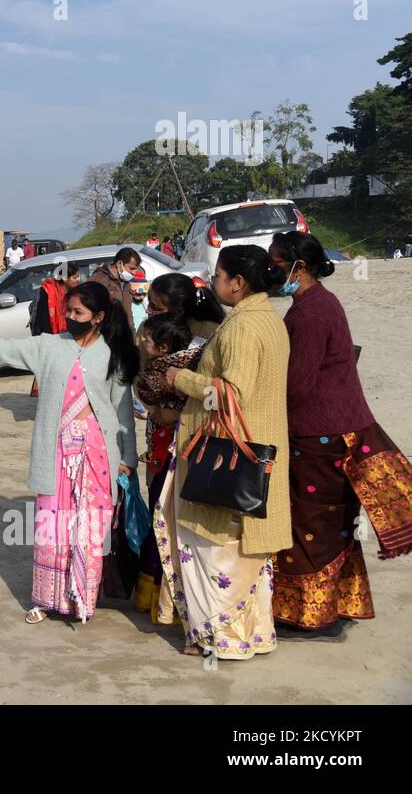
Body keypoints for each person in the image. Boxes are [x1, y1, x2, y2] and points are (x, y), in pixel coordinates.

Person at [0, 280, 140, 624]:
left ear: (97, 317)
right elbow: (1, 349)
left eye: (77, 312)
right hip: (55, 456)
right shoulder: (49, 346)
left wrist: (128, 458)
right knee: (52, 526)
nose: (69, 317)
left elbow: (122, 409)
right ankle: (46, 598)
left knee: (89, 528)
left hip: (97, 458)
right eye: (67, 310)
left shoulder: (112, 354)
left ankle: (83, 598)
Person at [267, 231, 412, 634]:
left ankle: (309, 613)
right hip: (337, 430)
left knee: (311, 526)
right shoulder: (319, 303)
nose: (272, 270)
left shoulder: (310, 312)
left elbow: (297, 385)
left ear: (300, 266)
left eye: (276, 262)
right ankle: (335, 604)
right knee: (335, 524)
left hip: (319, 434)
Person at [156, 245, 290, 660]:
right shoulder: (269, 321)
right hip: (254, 451)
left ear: (238, 282)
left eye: (217, 277)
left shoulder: (242, 328)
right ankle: (252, 636)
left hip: (226, 454)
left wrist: (181, 378)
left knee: (212, 548)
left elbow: (231, 393)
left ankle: (220, 641)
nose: (212, 284)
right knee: (243, 551)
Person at [130, 272, 224, 622]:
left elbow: (214, 388)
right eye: (149, 306)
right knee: (159, 506)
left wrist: (175, 409)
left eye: (156, 307)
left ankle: (181, 598)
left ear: (178, 308)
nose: (150, 312)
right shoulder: (153, 334)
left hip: (193, 435)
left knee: (180, 512)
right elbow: (143, 377)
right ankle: (153, 595)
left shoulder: (211, 337)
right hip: (157, 434)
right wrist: (155, 408)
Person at [89, 247, 144, 334]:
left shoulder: (127, 282)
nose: (134, 272)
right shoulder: (98, 279)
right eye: (131, 268)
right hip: (106, 337)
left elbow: (128, 314)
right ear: (119, 263)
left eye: (135, 269)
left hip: (125, 336)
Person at [31, 262, 81, 337]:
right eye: (75, 277)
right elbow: (43, 321)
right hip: (50, 337)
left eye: (78, 277)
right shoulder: (48, 292)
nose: (78, 280)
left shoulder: (76, 292)